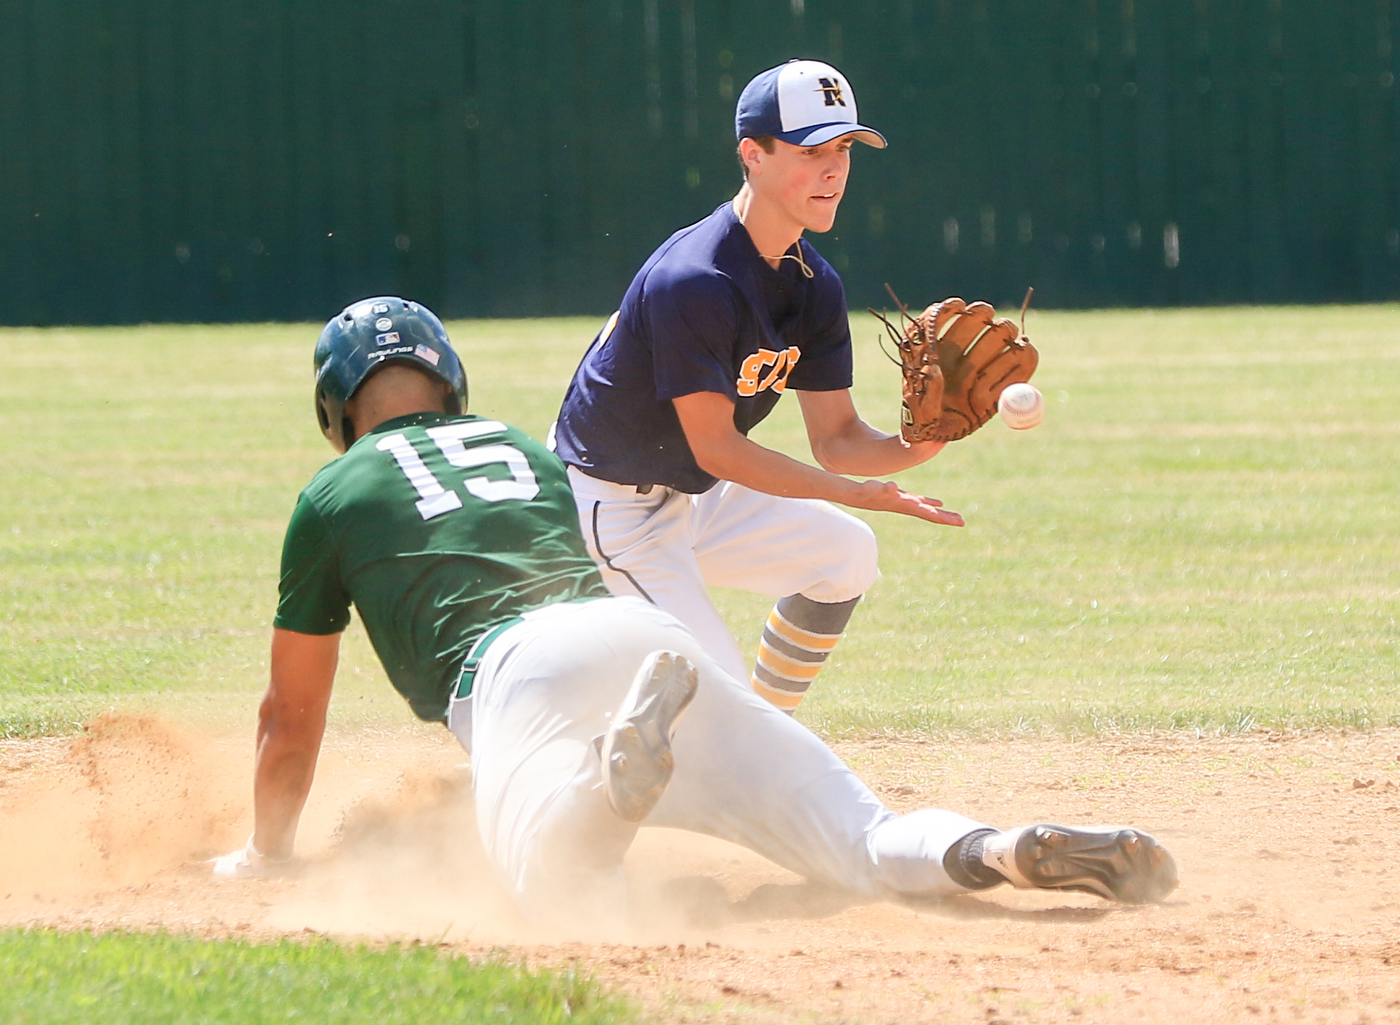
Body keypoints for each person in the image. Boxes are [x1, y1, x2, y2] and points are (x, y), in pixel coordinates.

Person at [213, 296, 1178, 932]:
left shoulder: (334, 493)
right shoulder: (523, 448)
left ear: (335, 411)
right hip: (644, 640)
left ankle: (609, 782)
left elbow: (289, 722)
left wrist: (267, 856)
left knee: (557, 894)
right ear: (452, 383)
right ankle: (997, 847)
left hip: (515, 678)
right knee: (862, 842)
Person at [552, 59, 960, 716]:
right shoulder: (696, 279)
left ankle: (770, 730)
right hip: (609, 508)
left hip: (691, 493)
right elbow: (718, 449)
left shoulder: (812, 282)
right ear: (754, 155)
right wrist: (856, 492)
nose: (834, 170)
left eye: (844, 149)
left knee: (847, 554)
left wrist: (924, 442)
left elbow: (839, 439)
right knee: (720, 710)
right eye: (811, 150)